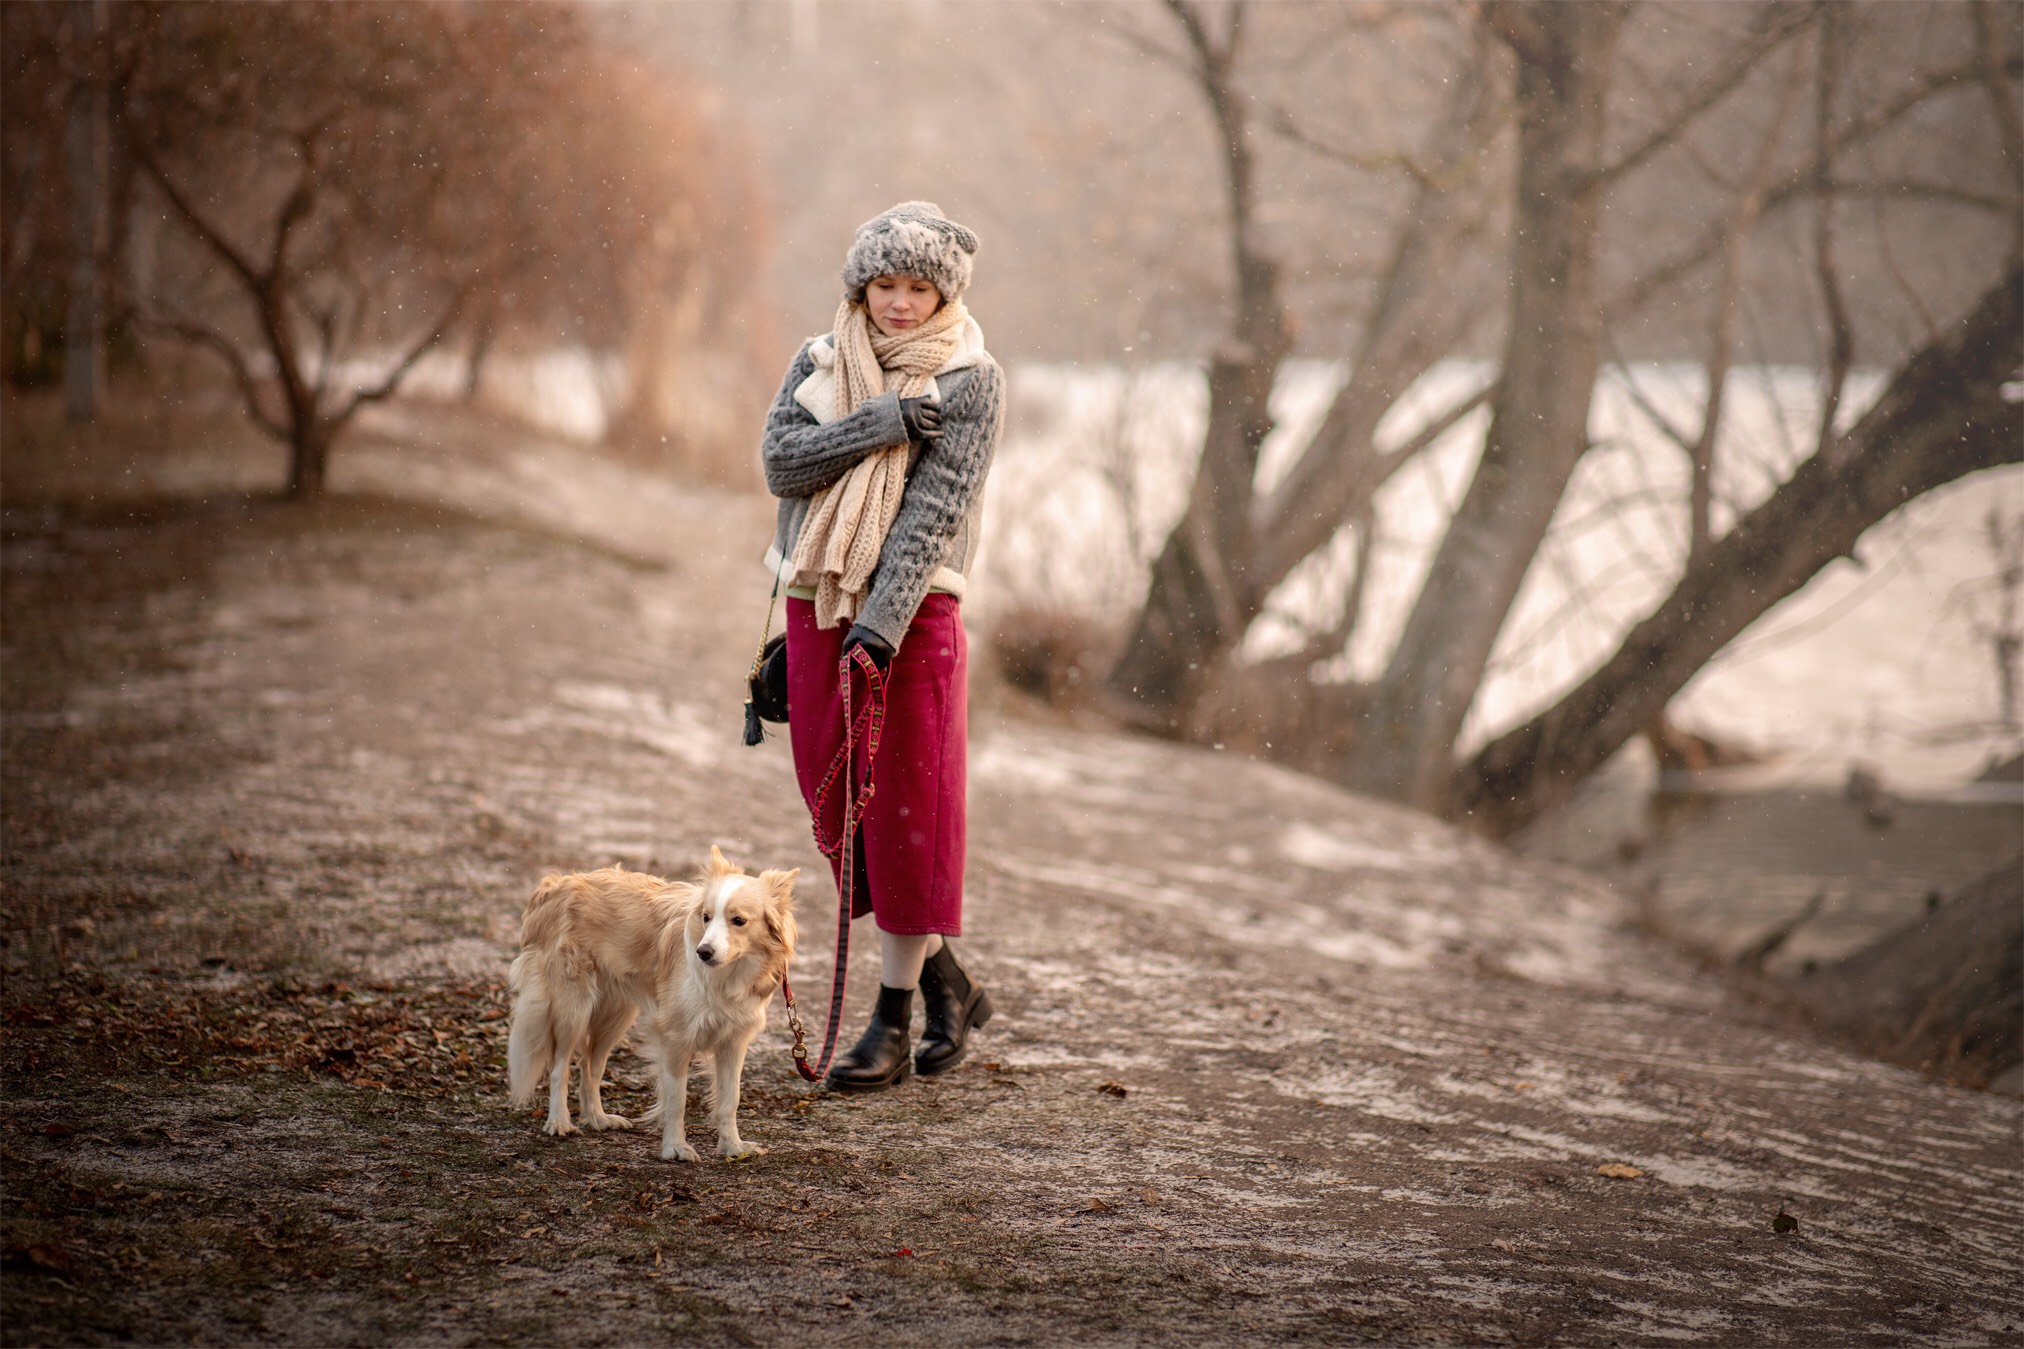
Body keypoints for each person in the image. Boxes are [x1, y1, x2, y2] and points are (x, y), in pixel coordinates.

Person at [758, 201, 1005, 1091]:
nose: (898, 304)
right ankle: (951, 985)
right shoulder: (820, 360)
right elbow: (784, 466)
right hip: (812, 600)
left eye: (919, 287)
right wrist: (883, 421)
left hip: (911, 616)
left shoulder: (974, 381)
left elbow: (934, 517)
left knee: (909, 816)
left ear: (946, 293)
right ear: (860, 284)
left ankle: (890, 1019)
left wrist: (880, 626)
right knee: (839, 811)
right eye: (885, 285)